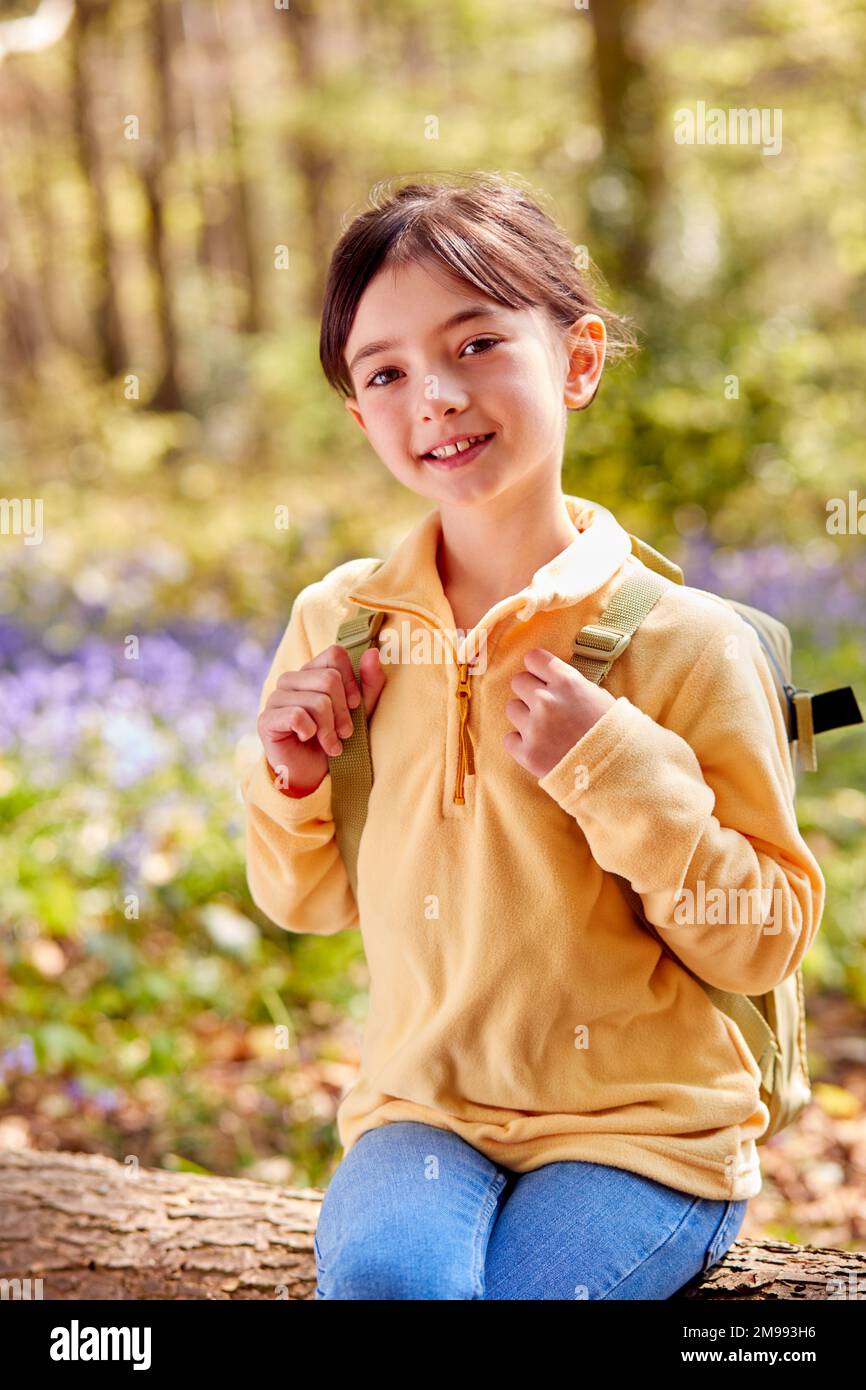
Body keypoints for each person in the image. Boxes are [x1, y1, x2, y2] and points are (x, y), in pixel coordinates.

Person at [238, 172, 825, 1299]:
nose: (435, 398)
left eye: (475, 345)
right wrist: (290, 776)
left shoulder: (684, 643)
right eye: (388, 372)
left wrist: (611, 765)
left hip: (643, 1135)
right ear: (360, 417)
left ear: (578, 359)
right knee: (386, 1281)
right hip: (425, 1114)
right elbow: (298, 901)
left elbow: (759, 939)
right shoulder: (340, 626)